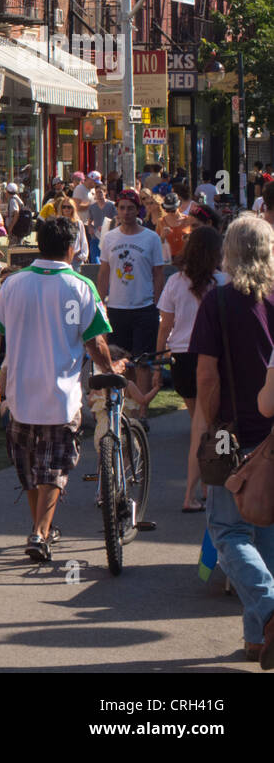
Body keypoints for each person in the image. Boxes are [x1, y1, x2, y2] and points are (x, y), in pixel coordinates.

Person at [0, 217, 119, 562]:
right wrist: (110, 369)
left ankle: (40, 529)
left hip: (18, 395)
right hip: (61, 398)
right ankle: (40, 532)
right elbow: (95, 341)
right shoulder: (80, 286)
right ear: (72, 248)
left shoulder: (13, 284)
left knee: (30, 471)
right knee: (53, 471)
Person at [192, 216, 274, 665]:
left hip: (233, 435)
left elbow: (207, 375)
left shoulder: (218, 302)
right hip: (273, 436)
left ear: (231, 251)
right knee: (266, 533)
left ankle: (268, 610)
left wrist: (210, 426)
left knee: (227, 530)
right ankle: (257, 639)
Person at [99, 188, 167, 400]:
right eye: (122, 208)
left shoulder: (151, 238)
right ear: (117, 210)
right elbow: (103, 273)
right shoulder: (109, 238)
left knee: (143, 362)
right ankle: (127, 404)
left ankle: (142, 410)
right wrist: (101, 304)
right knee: (121, 360)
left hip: (144, 307)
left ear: (138, 210)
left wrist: (158, 305)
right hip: (117, 308)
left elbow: (158, 274)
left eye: (130, 208)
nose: (126, 212)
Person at [85, 179, 115, 266]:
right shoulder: (92, 207)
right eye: (97, 192)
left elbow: (116, 220)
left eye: (101, 192)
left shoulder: (112, 205)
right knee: (95, 260)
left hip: (109, 237)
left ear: (105, 193)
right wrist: (90, 228)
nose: (99, 194)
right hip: (96, 236)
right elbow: (89, 222)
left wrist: (107, 226)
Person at [55, 197, 89, 264]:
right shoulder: (56, 223)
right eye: (64, 207)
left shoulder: (78, 223)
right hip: (61, 258)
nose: (66, 209)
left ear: (73, 208)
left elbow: (83, 240)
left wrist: (83, 256)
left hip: (76, 258)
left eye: (69, 207)